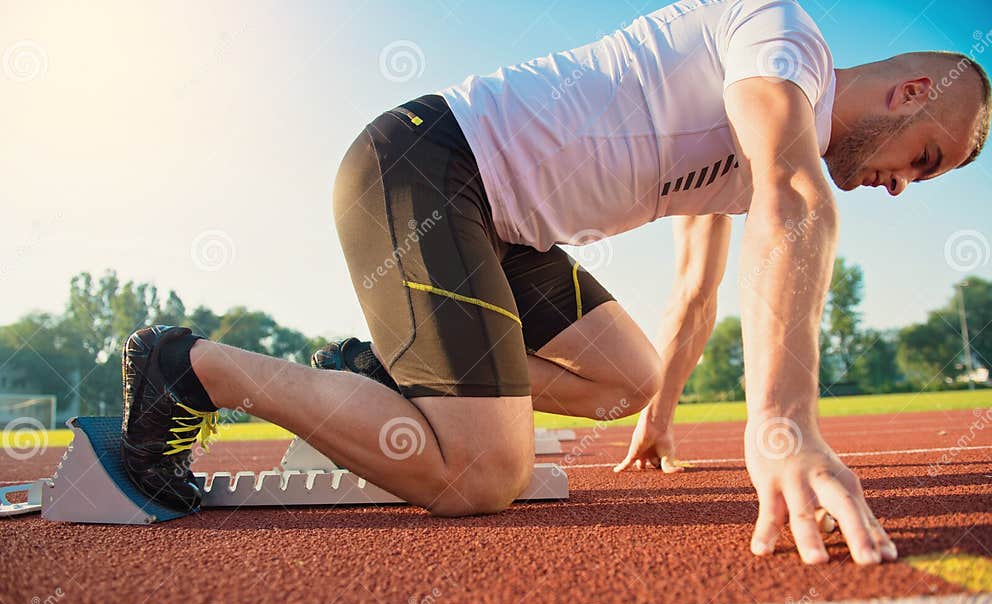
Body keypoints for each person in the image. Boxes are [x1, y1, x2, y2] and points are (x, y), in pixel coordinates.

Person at [119, 0, 990, 566]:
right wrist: (781, 424)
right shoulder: (779, 39)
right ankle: (190, 367)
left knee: (627, 383)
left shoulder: (756, 125)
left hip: (502, 231)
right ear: (914, 90)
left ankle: (390, 379)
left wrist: (661, 417)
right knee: (478, 477)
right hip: (426, 167)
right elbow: (792, 197)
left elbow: (696, 290)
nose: (906, 183)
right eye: (927, 159)